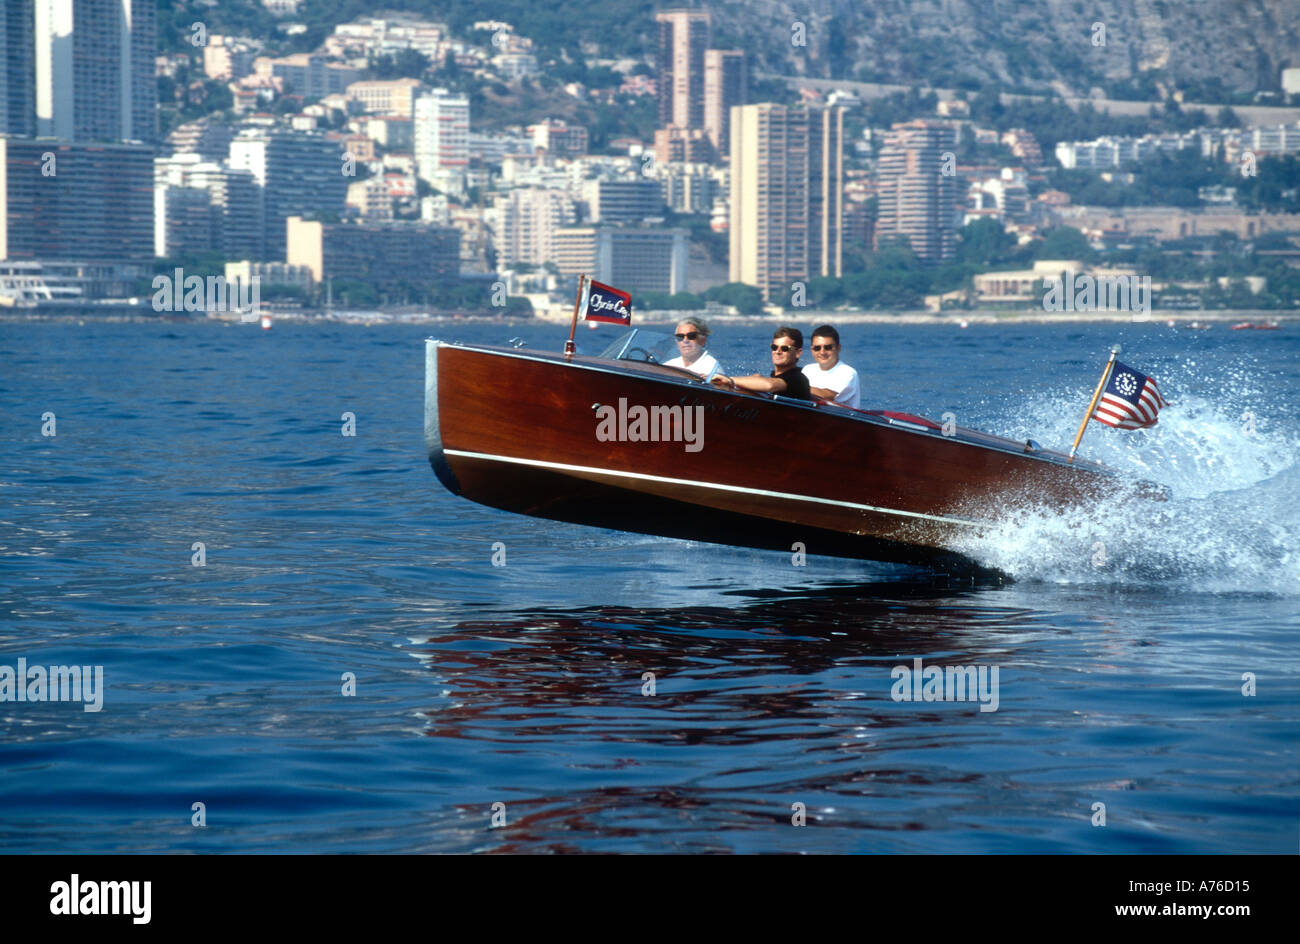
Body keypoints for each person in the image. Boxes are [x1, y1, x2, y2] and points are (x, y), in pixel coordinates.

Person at [710, 326, 813, 401]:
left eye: (784, 348)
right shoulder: (773, 378)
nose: (778, 351)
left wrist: (730, 380)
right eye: (774, 347)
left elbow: (769, 386)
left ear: (798, 353)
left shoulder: (799, 379)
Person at [802, 324, 860, 408]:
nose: (822, 352)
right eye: (817, 348)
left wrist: (793, 385)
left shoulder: (848, 373)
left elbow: (827, 396)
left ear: (838, 348)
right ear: (812, 350)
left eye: (828, 347)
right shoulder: (807, 369)